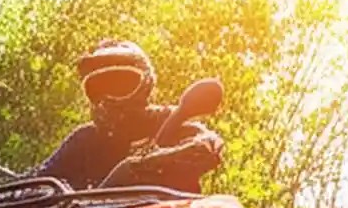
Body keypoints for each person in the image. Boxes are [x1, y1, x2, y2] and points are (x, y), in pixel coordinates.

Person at [29, 40, 223, 193]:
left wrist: (148, 163)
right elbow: (40, 179)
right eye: (99, 88)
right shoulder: (85, 139)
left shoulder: (170, 120)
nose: (107, 97)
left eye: (121, 84)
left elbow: (206, 145)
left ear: (145, 84)